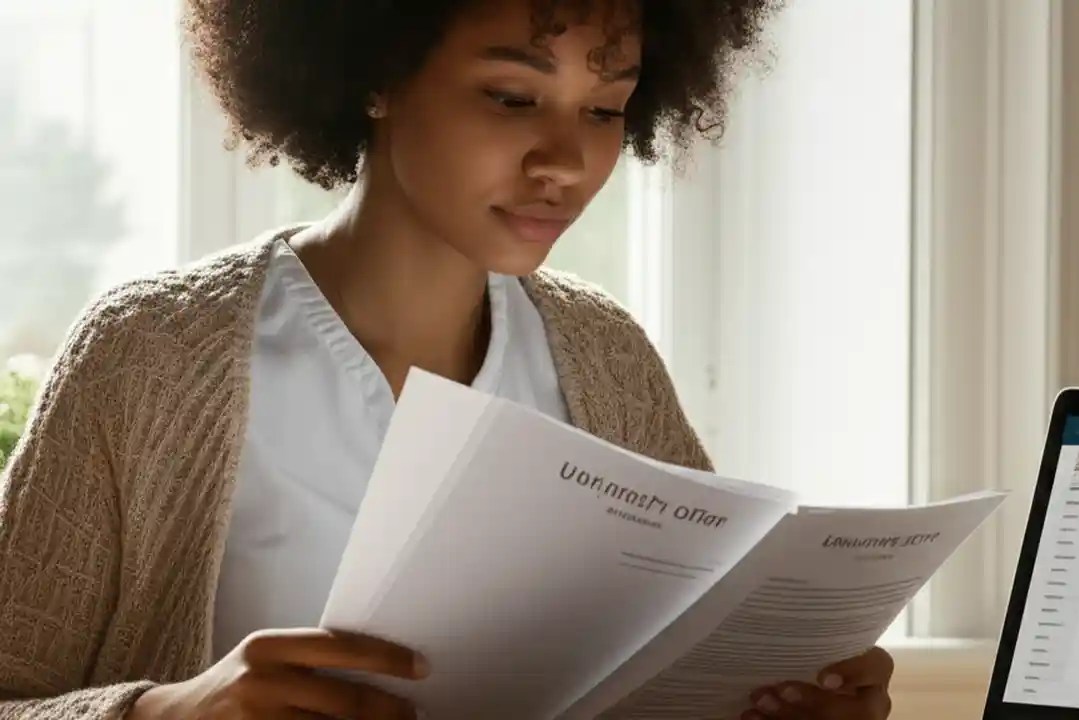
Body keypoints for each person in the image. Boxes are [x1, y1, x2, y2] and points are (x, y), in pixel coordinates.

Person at [0, 0, 895, 718]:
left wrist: (784, 700)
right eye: (512, 98)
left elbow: (677, 670)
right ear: (376, 74)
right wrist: (164, 712)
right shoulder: (146, 355)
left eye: (604, 110)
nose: (568, 161)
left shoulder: (608, 359)